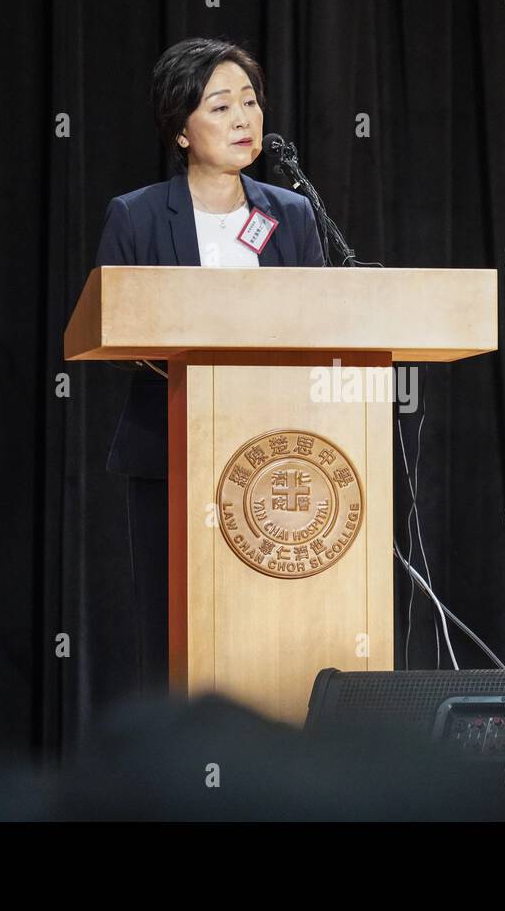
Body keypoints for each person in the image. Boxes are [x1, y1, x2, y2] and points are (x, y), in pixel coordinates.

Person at [93, 37, 326, 691]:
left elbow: (323, 319)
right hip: (172, 449)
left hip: (281, 457)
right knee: (174, 629)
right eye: (221, 107)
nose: (244, 119)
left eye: (250, 102)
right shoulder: (136, 216)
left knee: (273, 632)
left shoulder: (294, 214)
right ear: (181, 130)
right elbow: (110, 323)